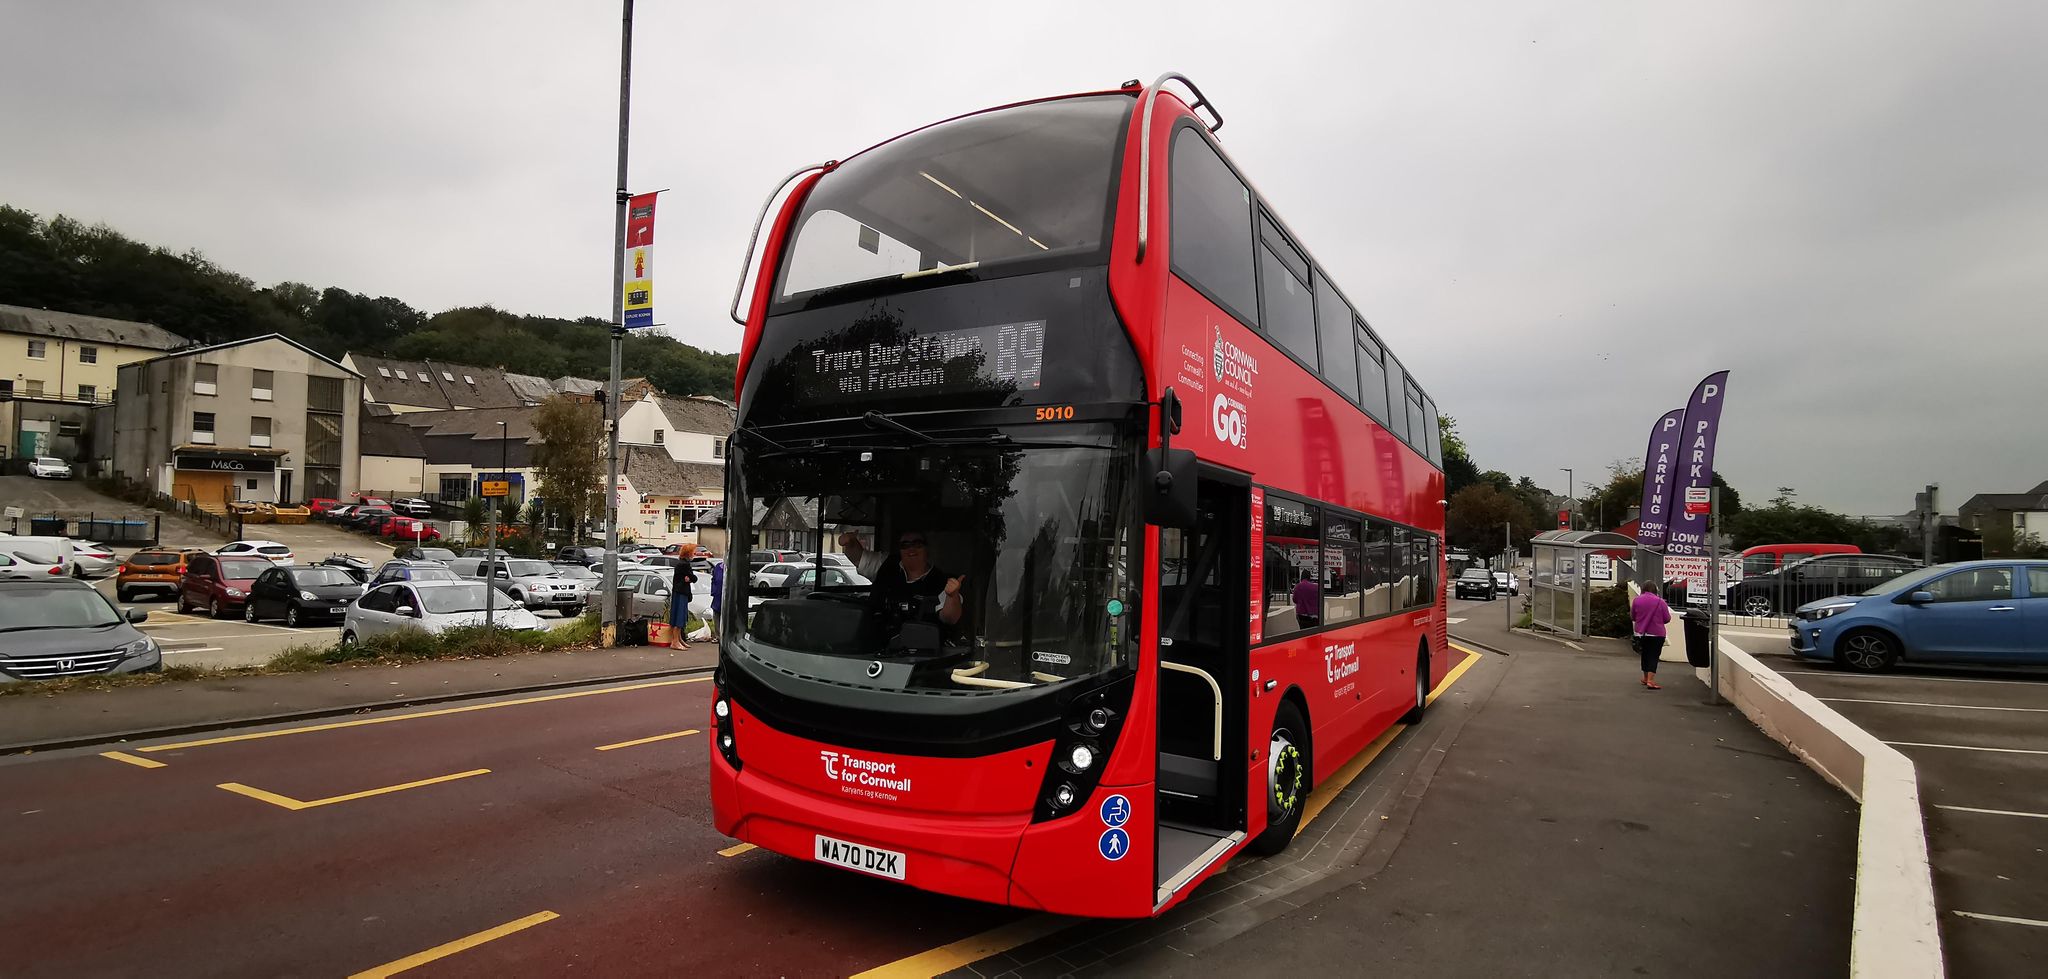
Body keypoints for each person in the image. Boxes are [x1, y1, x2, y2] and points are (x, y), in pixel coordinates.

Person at [869, 530, 964, 641]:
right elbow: (862, 560)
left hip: (924, 651)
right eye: (905, 545)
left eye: (917, 544)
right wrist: (849, 543)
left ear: (926, 549)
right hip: (881, 648)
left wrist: (952, 596)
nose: (911, 549)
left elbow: (950, 618)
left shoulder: (941, 580)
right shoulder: (886, 568)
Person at [1631, 582, 1673, 689]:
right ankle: (1650, 680)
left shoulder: (1637, 600)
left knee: (1645, 655)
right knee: (1653, 656)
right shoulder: (1660, 602)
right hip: (1657, 633)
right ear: (1655, 590)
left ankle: (1645, 678)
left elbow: (1633, 616)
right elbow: (1667, 619)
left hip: (1641, 633)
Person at [669, 544, 698, 649]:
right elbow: (694, 578)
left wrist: (689, 579)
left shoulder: (680, 563)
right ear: (688, 553)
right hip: (681, 592)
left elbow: (690, 578)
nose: (694, 554)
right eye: (693, 552)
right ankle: (675, 641)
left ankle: (678, 639)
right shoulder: (684, 565)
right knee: (679, 616)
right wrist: (690, 578)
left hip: (678, 591)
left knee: (678, 615)